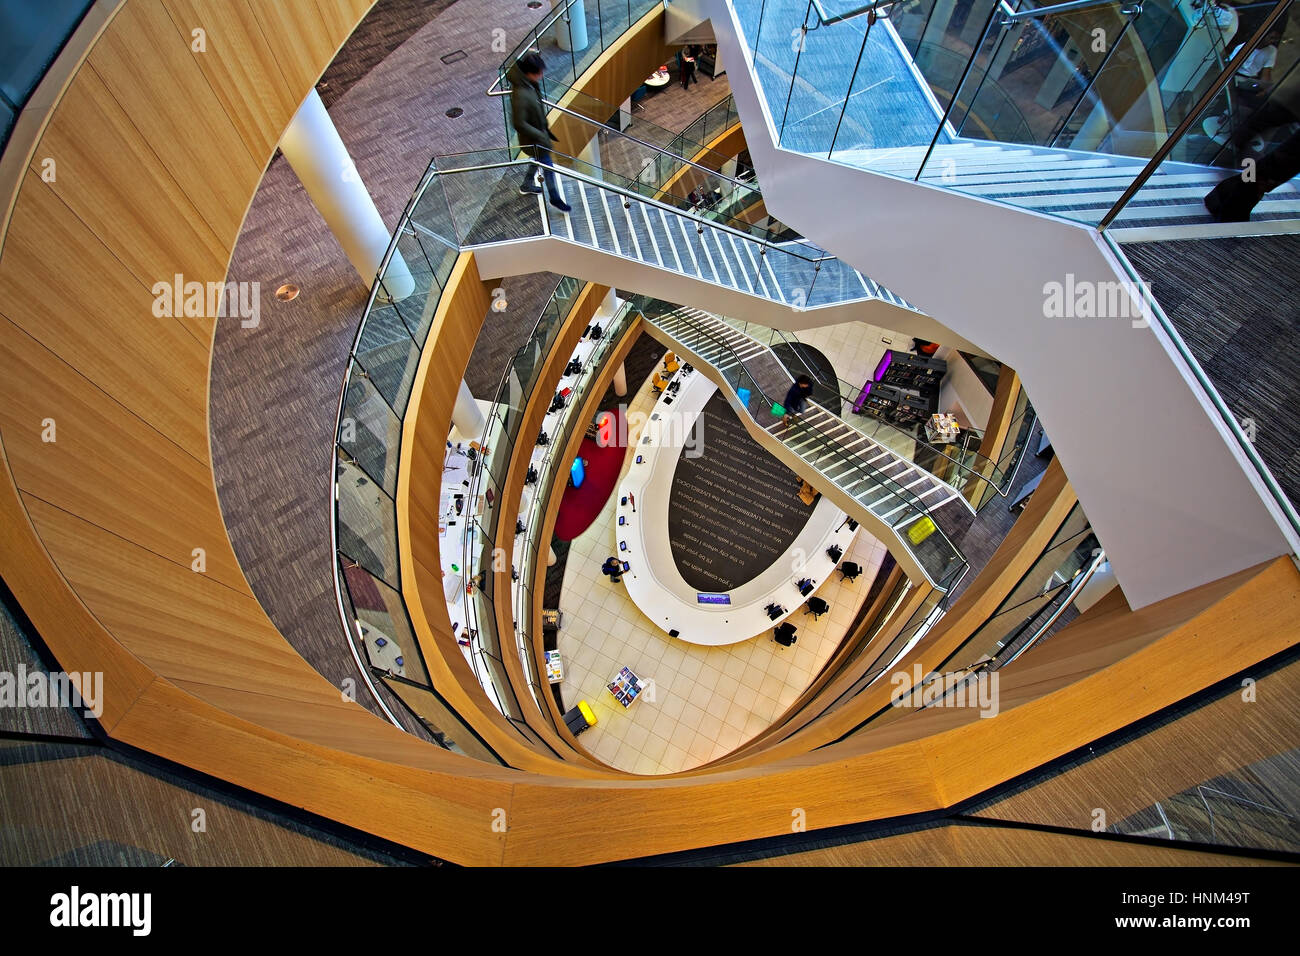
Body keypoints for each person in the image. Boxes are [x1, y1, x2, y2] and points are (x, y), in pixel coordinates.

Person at [508, 52, 572, 213]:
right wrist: (540, 135)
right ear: (529, 73)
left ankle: (526, 185)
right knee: (548, 169)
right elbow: (518, 123)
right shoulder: (520, 94)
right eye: (539, 73)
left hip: (538, 136)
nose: (542, 76)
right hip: (535, 139)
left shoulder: (528, 84)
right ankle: (554, 199)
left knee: (538, 160)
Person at [1204, 29, 1286, 145]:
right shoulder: (1244, 46)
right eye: (1271, 38)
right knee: (1231, 97)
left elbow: (1266, 73)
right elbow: (1230, 68)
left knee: (1260, 105)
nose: (1272, 41)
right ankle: (1218, 120)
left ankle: (1240, 133)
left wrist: (1265, 88)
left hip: (1250, 80)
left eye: (1275, 39)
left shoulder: (1271, 51)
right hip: (1235, 75)